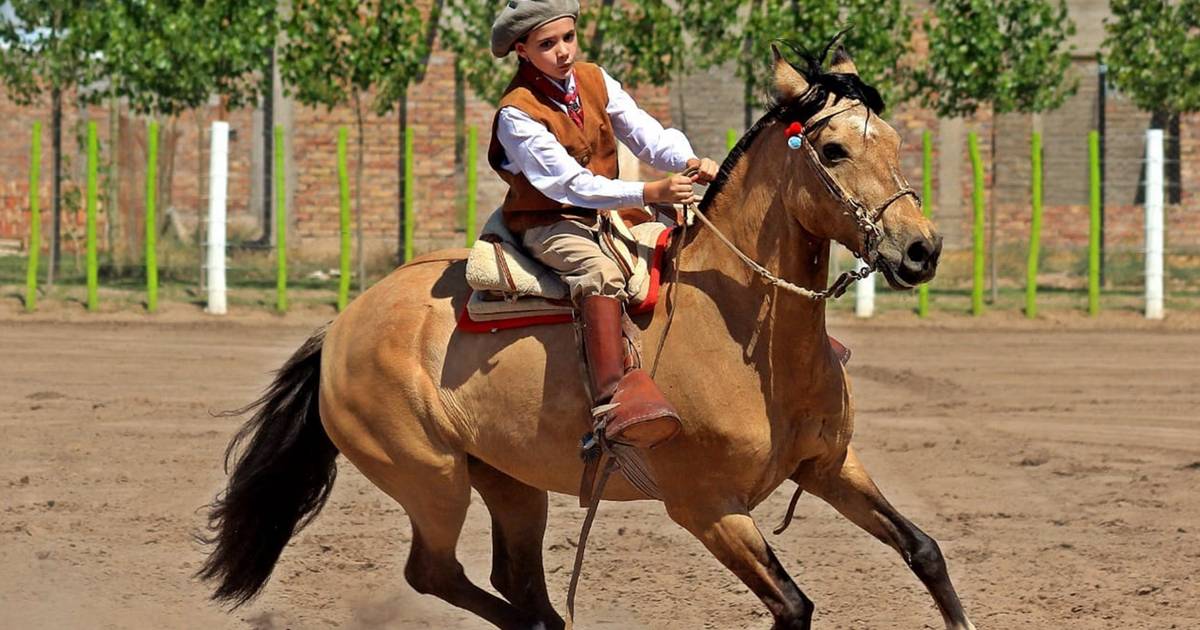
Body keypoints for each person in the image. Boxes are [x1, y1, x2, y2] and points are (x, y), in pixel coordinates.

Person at [488, 0, 718, 449]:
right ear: (521, 50)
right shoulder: (517, 113)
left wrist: (688, 160)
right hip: (548, 220)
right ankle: (612, 407)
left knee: (688, 239)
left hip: (605, 210)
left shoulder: (594, 79)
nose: (563, 52)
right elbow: (568, 186)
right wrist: (650, 193)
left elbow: (647, 135)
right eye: (547, 44)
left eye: (568, 38)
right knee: (602, 274)